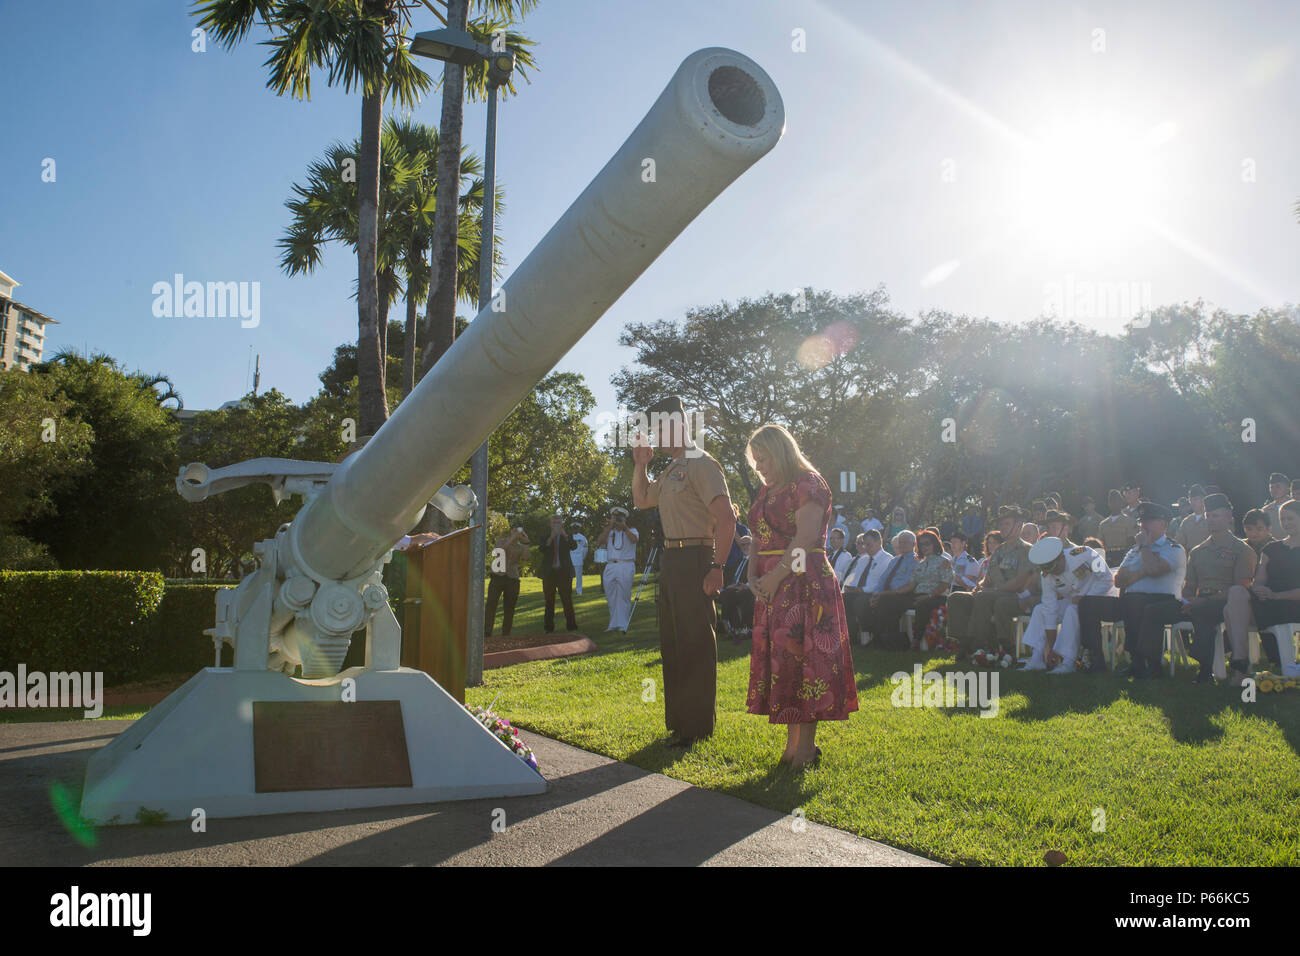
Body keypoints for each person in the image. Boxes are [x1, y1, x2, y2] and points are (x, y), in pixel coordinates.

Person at [744, 423, 858, 769]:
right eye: (755, 460)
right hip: (773, 585)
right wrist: (753, 575)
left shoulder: (809, 484)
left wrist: (776, 576)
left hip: (804, 581)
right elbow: (758, 538)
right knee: (785, 666)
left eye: (764, 458)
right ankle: (794, 746)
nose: (760, 466)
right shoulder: (768, 490)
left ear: (781, 451)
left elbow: (806, 538)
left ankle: (806, 748)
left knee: (806, 662)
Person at [632, 395, 736, 747]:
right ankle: (679, 723)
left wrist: (718, 567)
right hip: (673, 559)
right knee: (674, 642)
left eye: (658, 430)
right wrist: (640, 464)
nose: (654, 438)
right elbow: (642, 499)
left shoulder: (701, 463)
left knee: (695, 643)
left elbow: (726, 518)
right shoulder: (672, 467)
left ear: (677, 426)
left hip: (696, 557)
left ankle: (697, 726)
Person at [1132, 493, 1254, 684]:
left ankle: (1205, 671)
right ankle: (1152, 665)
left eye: (1216, 516)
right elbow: (1190, 586)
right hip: (1197, 601)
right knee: (1153, 611)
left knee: (1203, 613)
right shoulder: (1197, 551)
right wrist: (1186, 600)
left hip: (1224, 604)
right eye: (1208, 515)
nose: (1211, 520)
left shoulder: (1242, 549)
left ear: (1230, 516)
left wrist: (1202, 601)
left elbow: (1241, 588)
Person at [1077, 501, 1186, 676]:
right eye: (1142, 521)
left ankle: (1143, 663)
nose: (1143, 526)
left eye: (1149, 521)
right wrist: (1141, 570)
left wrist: (1143, 549)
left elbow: (1153, 570)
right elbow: (1119, 580)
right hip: (1131, 601)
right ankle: (1096, 659)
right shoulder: (1134, 551)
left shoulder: (1173, 548)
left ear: (1163, 524)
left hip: (1164, 601)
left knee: (1136, 601)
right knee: (1088, 604)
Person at [1223, 499, 1300, 684]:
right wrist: (1260, 590)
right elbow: (1258, 582)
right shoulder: (1271, 549)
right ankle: (1241, 659)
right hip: (1269, 603)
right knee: (1236, 593)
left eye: (1290, 518)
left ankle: (1240, 669)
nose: (1286, 523)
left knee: (1228, 611)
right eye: (1283, 519)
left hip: (1293, 605)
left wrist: (1276, 595)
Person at [946, 506, 1034, 657]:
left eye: (1007, 524)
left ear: (1018, 526)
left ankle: (978, 645)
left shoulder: (1027, 550)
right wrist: (977, 588)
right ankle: (962, 640)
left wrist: (994, 590)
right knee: (957, 597)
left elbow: (1021, 582)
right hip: (992, 594)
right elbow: (988, 578)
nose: (1002, 528)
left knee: (983, 597)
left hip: (1016, 596)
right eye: (1001, 525)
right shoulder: (999, 550)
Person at [1021, 536, 1113, 672]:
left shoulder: (1086, 553)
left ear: (1061, 557)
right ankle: (1037, 657)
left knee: (1072, 609)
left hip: (1101, 600)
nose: (1054, 573)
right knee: (1040, 609)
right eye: (1050, 571)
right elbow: (1049, 609)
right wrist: (1051, 647)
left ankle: (1068, 661)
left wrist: (1086, 598)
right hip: (1074, 603)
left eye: (1055, 568)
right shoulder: (1047, 575)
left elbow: (1107, 579)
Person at [863, 529, 951, 650]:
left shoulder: (944, 562)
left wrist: (929, 595)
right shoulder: (920, 563)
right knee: (887, 600)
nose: (924, 547)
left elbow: (944, 585)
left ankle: (915, 640)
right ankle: (886, 639)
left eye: (927, 543)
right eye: (921, 544)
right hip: (917, 595)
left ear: (935, 544)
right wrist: (885, 594)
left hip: (936, 596)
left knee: (921, 604)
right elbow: (910, 585)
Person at [597, 507, 639, 632]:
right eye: (615, 518)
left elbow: (634, 540)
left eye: (620, 518)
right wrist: (610, 526)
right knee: (611, 595)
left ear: (625, 519)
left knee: (624, 595)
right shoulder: (609, 532)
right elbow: (600, 541)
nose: (617, 521)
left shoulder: (632, 530)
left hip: (626, 565)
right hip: (611, 565)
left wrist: (624, 527)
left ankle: (623, 623)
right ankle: (613, 623)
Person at [485, 527, 530, 637]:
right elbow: (499, 552)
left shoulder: (521, 547)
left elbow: (526, 557)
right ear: (511, 531)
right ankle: (486, 632)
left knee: (509, 606)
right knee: (491, 604)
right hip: (497, 577)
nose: (516, 533)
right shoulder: (501, 541)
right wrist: (512, 538)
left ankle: (506, 633)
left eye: (518, 531)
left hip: (512, 578)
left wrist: (527, 541)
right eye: (514, 530)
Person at [538, 514, 579, 633]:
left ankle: (571, 626)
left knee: (567, 600)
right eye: (554, 523)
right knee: (549, 601)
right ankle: (548, 627)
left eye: (559, 523)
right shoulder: (545, 536)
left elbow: (574, 546)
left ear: (562, 524)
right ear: (550, 524)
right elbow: (542, 549)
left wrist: (565, 535)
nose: (556, 525)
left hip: (564, 573)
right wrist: (551, 538)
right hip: (549, 573)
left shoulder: (568, 536)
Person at [1098, 489, 1137, 566]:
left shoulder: (1129, 521)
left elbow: (1131, 543)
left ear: (1121, 503)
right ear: (1108, 504)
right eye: (1111, 501)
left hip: (1124, 558)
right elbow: (1100, 544)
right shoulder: (1103, 524)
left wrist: (1123, 559)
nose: (1114, 503)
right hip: (1108, 559)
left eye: (1116, 501)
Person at [1176, 484, 1209, 552]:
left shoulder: (1212, 518)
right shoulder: (1186, 521)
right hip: (1190, 559)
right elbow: (1179, 542)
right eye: (1190, 500)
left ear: (1203, 500)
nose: (1192, 502)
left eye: (1196, 499)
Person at [1263, 473, 1291, 539]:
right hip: (1274, 547)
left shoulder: (1296, 506)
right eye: (1271, 487)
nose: (1274, 490)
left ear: (1287, 488)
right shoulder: (1265, 510)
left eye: (1278, 486)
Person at [571, 523, 589, 595]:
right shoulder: (569, 537)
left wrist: (582, 557)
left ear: (579, 529)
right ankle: (569, 590)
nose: (575, 529)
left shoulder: (582, 537)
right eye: (574, 528)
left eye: (577, 528)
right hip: (570, 556)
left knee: (579, 576)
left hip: (578, 557)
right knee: (569, 576)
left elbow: (585, 548)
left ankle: (579, 591)